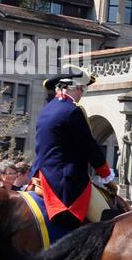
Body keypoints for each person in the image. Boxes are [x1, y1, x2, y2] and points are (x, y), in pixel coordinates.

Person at [31, 73, 114, 232]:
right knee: (108, 221)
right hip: (64, 182)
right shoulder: (72, 111)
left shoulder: (45, 110)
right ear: (76, 87)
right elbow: (88, 145)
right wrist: (105, 174)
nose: (82, 95)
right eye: (82, 90)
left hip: (40, 175)